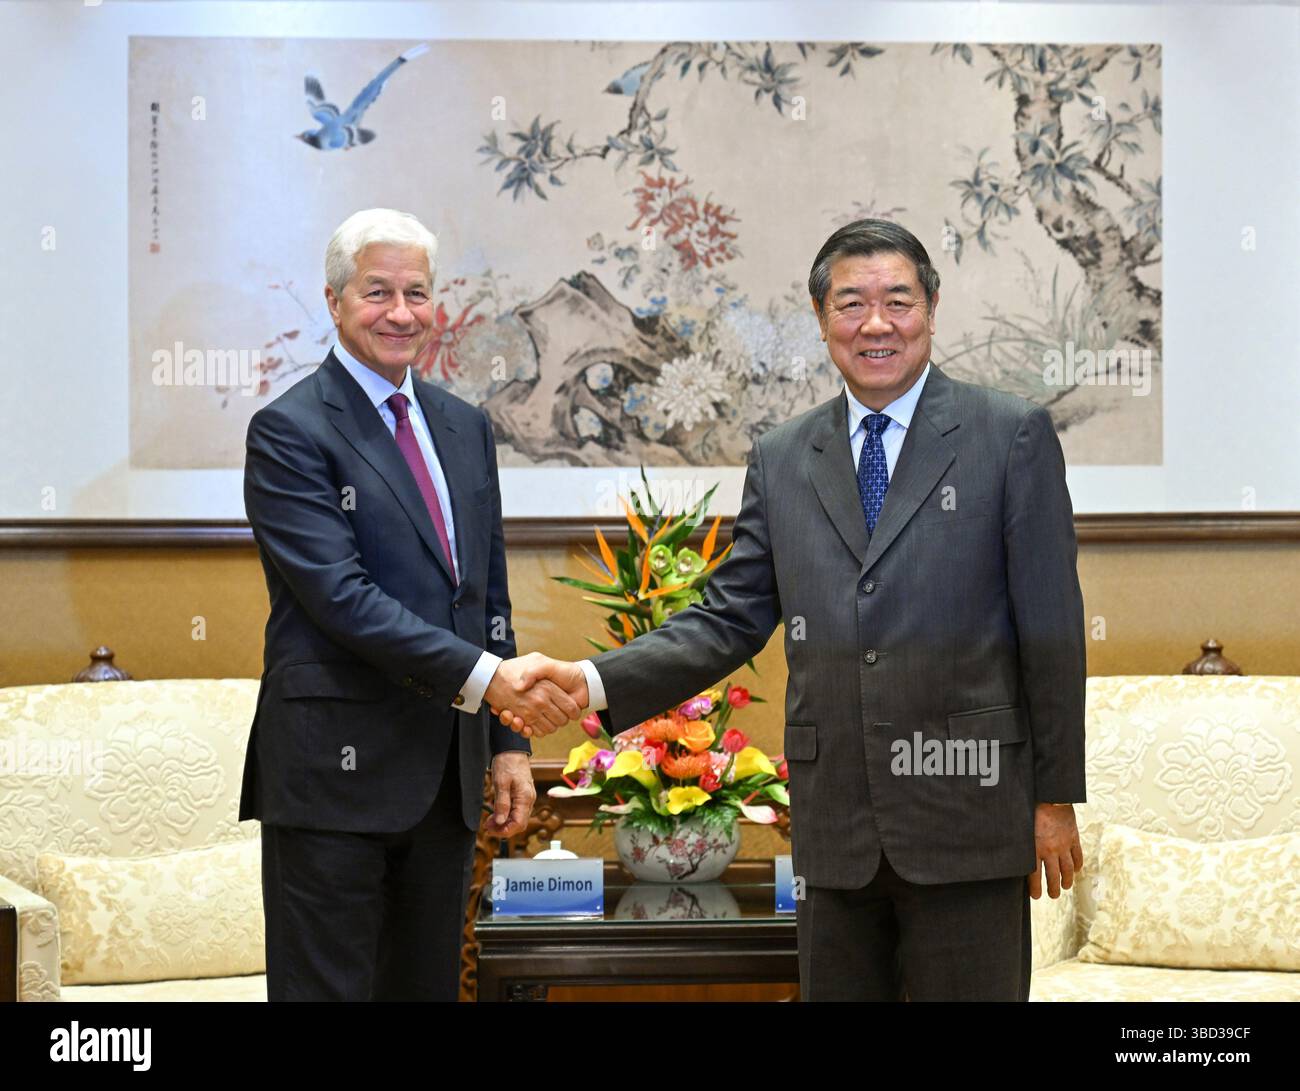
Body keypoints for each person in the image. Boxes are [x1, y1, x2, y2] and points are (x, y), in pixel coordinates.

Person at [511, 219, 1088, 1002]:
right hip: (837, 827)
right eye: (851, 304)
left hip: (968, 816)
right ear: (821, 320)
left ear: (932, 308)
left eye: (898, 301)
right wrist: (591, 679)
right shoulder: (784, 456)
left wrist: (1053, 799)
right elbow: (729, 617)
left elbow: (1051, 629)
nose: (876, 324)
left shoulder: (1008, 434)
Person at [239, 207, 580, 1001]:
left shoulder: (462, 427)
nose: (401, 313)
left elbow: (486, 596)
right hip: (332, 778)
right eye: (377, 292)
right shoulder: (289, 431)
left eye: (417, 293)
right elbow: (343, 600)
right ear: (333, 302)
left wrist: (505, 742)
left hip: (443, 775)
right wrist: (488, 680)